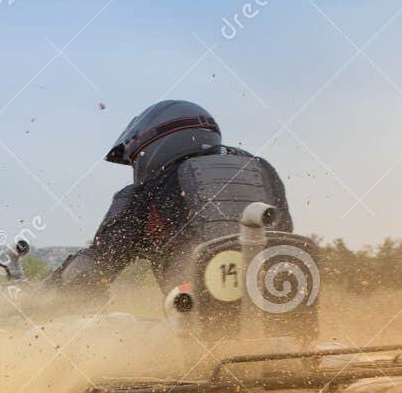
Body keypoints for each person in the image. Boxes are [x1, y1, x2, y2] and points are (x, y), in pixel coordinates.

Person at [45, 100, 292, 301]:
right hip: (280, 300)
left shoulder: (147, 191)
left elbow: (97, 266)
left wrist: (45, 297)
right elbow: (286, 233)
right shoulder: (262, 171)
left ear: (152, 142)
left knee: (120, 328)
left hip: (197, 318)